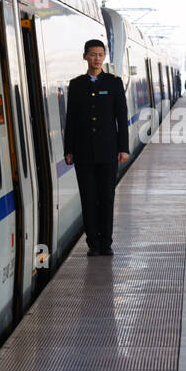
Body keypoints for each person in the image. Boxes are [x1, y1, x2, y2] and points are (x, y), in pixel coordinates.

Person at [64, 39, 130, 255]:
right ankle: (93, 243)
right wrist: (68, 149)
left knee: (107, 198)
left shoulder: (114, 83)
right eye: (92, 54)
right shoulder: (76, 84)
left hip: (108, 151)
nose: (96, 58)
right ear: (85, 56)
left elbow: (121, 116)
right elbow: (71, 119)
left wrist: (123, 148)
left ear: (104, 58)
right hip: (83, 153)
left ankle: (106, 242)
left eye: (100, 54)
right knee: (88, 198)